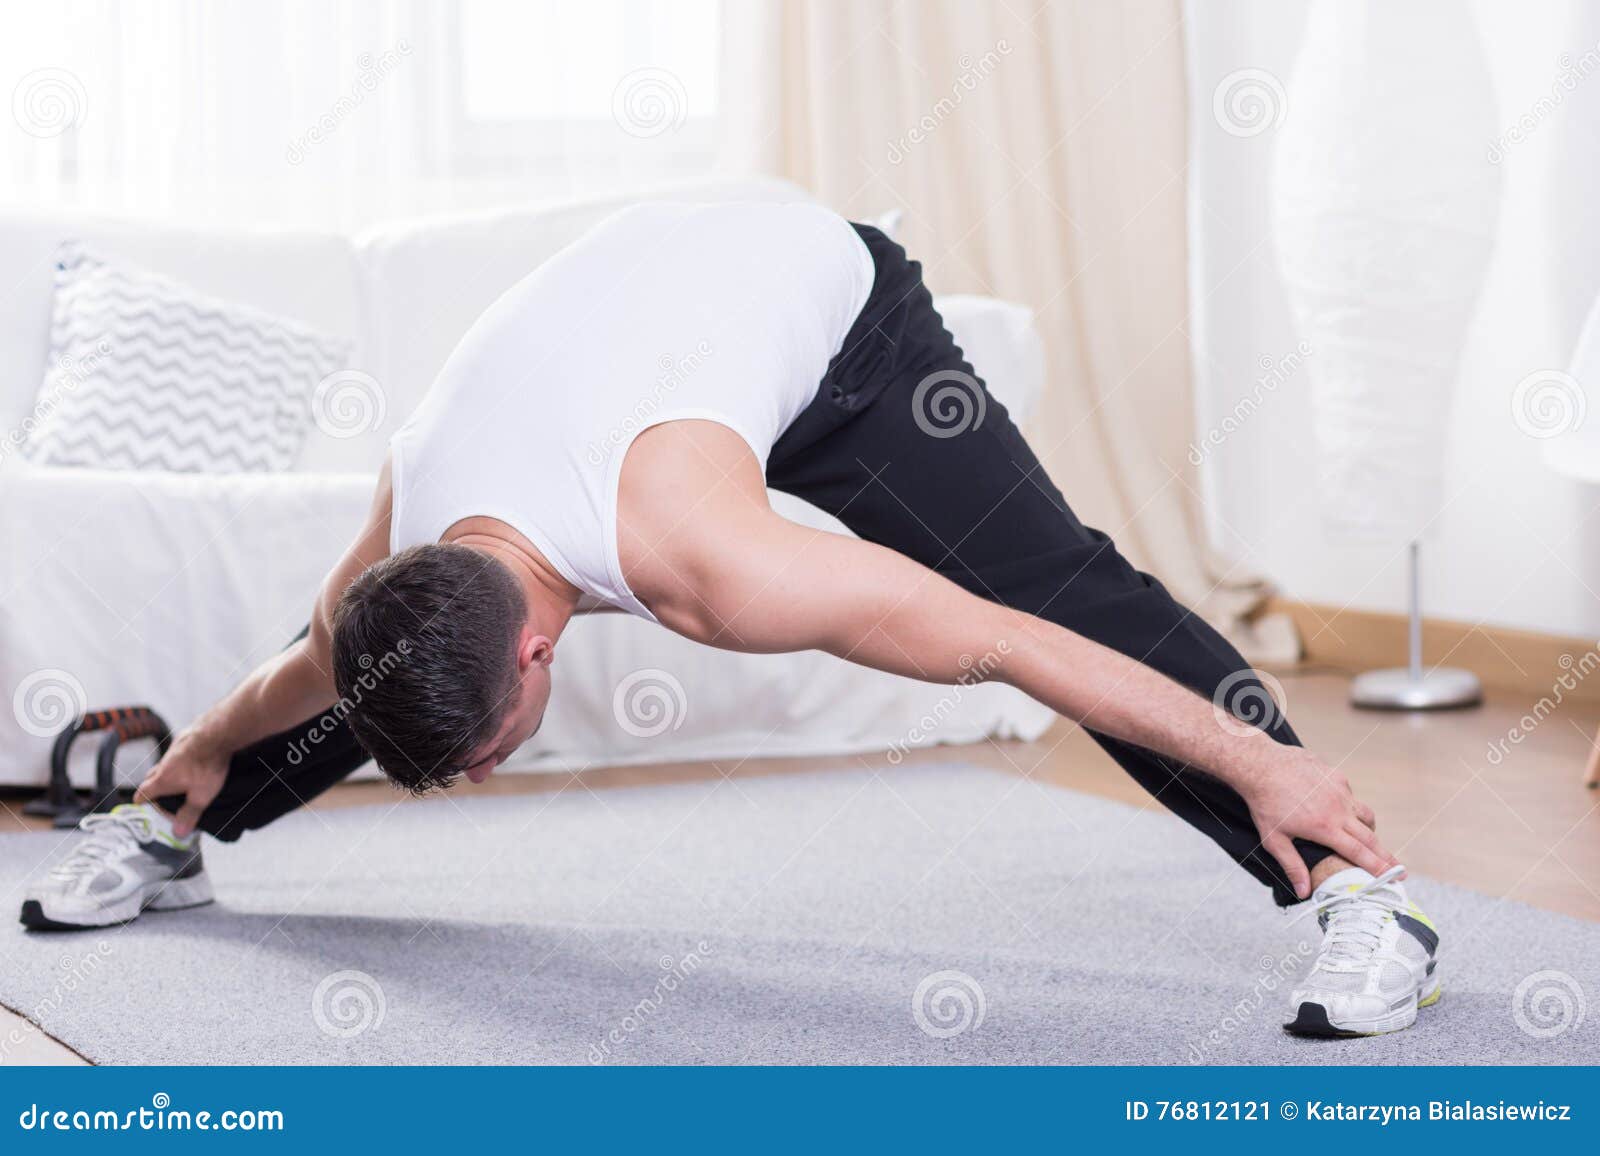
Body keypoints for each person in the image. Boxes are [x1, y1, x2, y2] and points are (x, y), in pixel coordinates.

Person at [20, 202, 1441, 1038]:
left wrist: (1261, 761)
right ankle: (168, 838)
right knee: (384, 667)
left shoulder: (717, 566)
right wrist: (195, 755)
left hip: (834, 319)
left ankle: (1364, 895)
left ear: (539, 649)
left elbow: (1022, 647)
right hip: (653, 319)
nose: (492, 768)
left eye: (496, 748)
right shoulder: (391, 571)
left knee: (1046, 577)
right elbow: (318, 667)